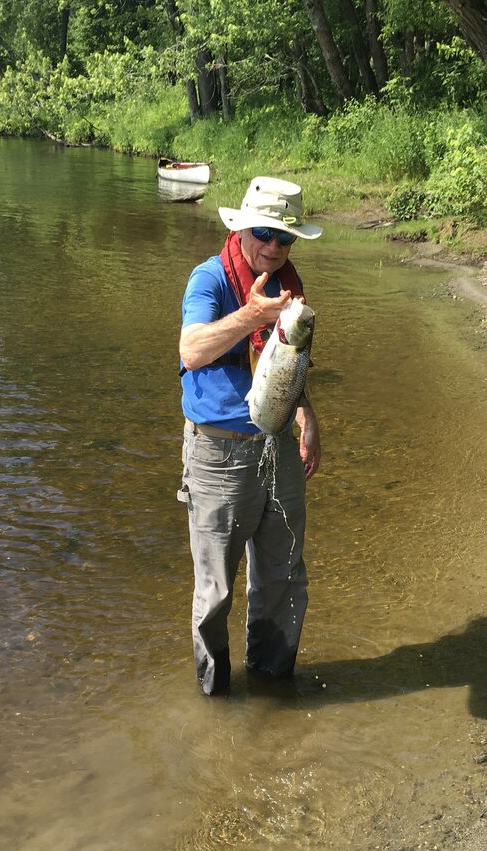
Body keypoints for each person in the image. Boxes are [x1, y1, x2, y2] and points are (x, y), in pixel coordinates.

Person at [177, 176, 323, 696]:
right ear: (242, 229)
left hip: (277, 444)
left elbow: (286, 366)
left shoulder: (290, 291)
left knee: (283, 577)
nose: (274, 247)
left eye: (285, 239)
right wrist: (251, 316)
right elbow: (192, 350)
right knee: (216, 588)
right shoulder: (209, 279)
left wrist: (307, 419)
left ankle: (273, 682)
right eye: (265, 233)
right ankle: (214, 700)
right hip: (218, 454)